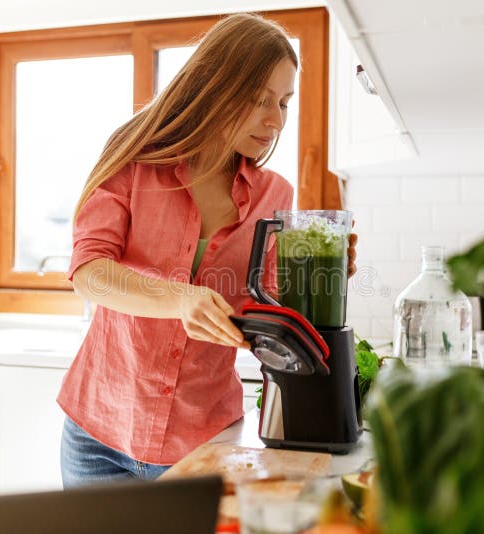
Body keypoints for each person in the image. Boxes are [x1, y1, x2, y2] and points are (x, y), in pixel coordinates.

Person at [58, 12, 358, 487]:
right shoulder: (136, 160)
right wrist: (181, 299)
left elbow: (269, 307)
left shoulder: (273, 195)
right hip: (98, 434)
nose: (275, 120)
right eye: (260, 100)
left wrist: (324, 274)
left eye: (284, 102)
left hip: (203, 440)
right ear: (215, 86)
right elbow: (91, 272)